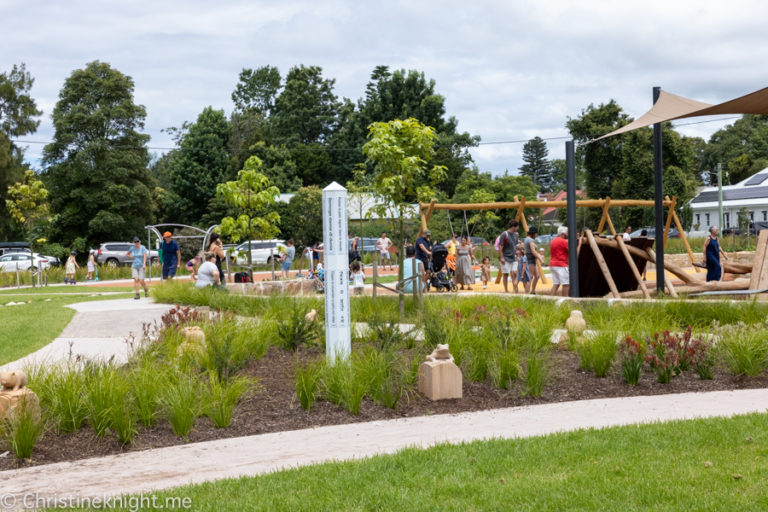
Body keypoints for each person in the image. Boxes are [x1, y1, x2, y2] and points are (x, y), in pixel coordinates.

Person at [497, 219, 519, 293]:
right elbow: (500, 246)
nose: (518, 228)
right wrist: (502, 257)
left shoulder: (515, 235)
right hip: (506, 257)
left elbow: (515, 246)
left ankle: (515, 289)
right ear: (513, 226)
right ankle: (506, 290)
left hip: (513, 257)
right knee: (506, 274)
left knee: (514, 273)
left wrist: (517, 255)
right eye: (517, 226)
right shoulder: (504, 234)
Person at [549, 226, 570, 297]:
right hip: (561, 264)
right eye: (567, 233)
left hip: (552, 264)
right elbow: (571, 251)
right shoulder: (563, 241)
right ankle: (565, 298)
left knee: (556, 283)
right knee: (566, 284)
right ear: (563, 234)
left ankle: (551, 298)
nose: (568, 234)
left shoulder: (553, 241)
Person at [524, 226, 544, 294]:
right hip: (531, 259)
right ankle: (527, 292)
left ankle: (533, 291)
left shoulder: (527, 239)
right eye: (535, 234)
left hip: (531, 258)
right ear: (533, 233)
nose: (536, 235)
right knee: (530, 276)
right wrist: (540, 259)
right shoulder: (530, 240)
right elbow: (533, 251)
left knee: (537, 276)